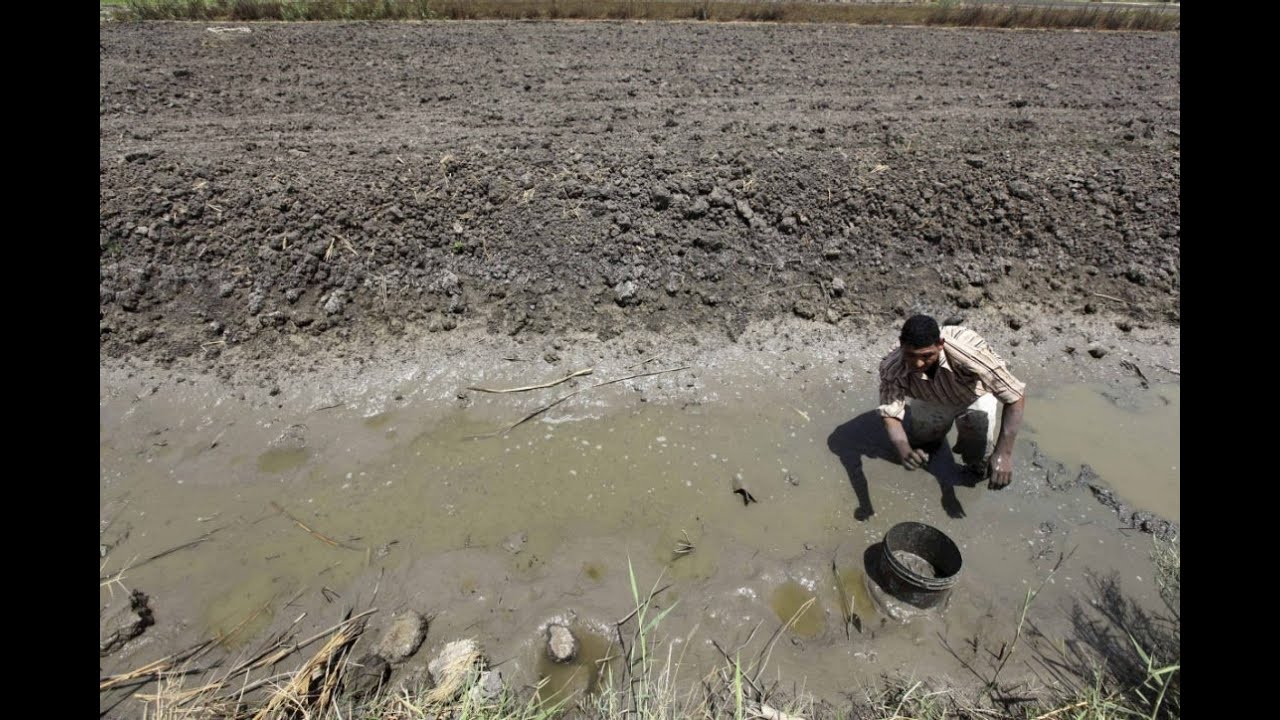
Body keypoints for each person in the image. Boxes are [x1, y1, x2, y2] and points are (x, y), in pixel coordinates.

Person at [878, 315, 1026, 489]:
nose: (918, 363)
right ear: (901, 345)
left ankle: (977, 466)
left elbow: (1015, 396)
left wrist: (1003, 454)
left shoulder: (970, 356)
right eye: (911, 355)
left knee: (978, 452)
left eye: (926, 356)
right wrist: (904, 449)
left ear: (940, 345)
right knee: (921, 441)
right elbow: (890, 412)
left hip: (974, 395)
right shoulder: (892, 366)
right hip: (930, 396)